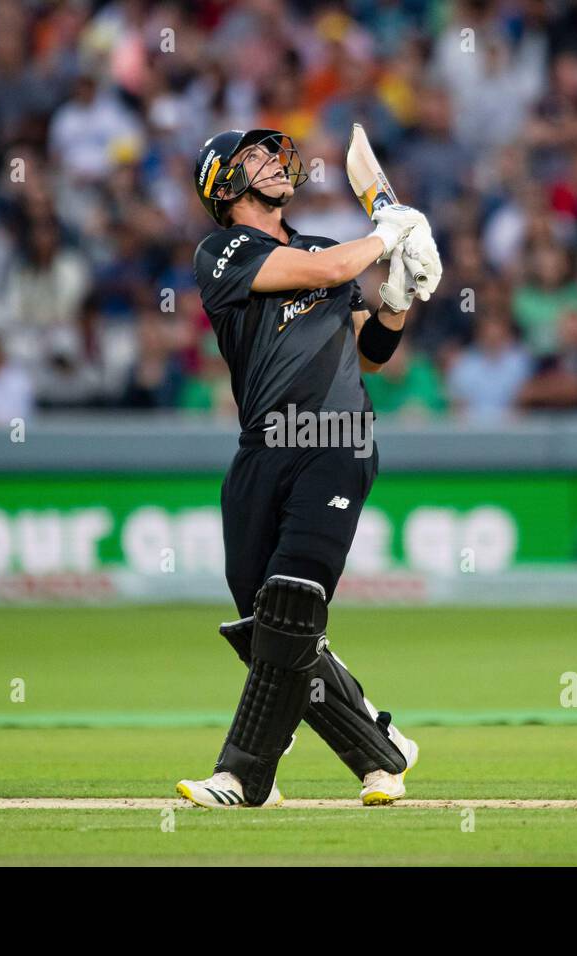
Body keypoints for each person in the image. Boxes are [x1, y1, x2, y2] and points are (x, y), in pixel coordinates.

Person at [177, 127, 441, 808]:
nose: (274, 159)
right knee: (266, 626)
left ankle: (243, 774)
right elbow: (326, 273)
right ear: (224, 185)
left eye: (273, 151)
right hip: (261, 448)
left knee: (294, 598)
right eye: (255, 156)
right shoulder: (225, 251)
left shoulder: (328, 249)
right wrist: (391, 233)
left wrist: (401, 294)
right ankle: (381, 751)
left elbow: (375, 353)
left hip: (336, 438)